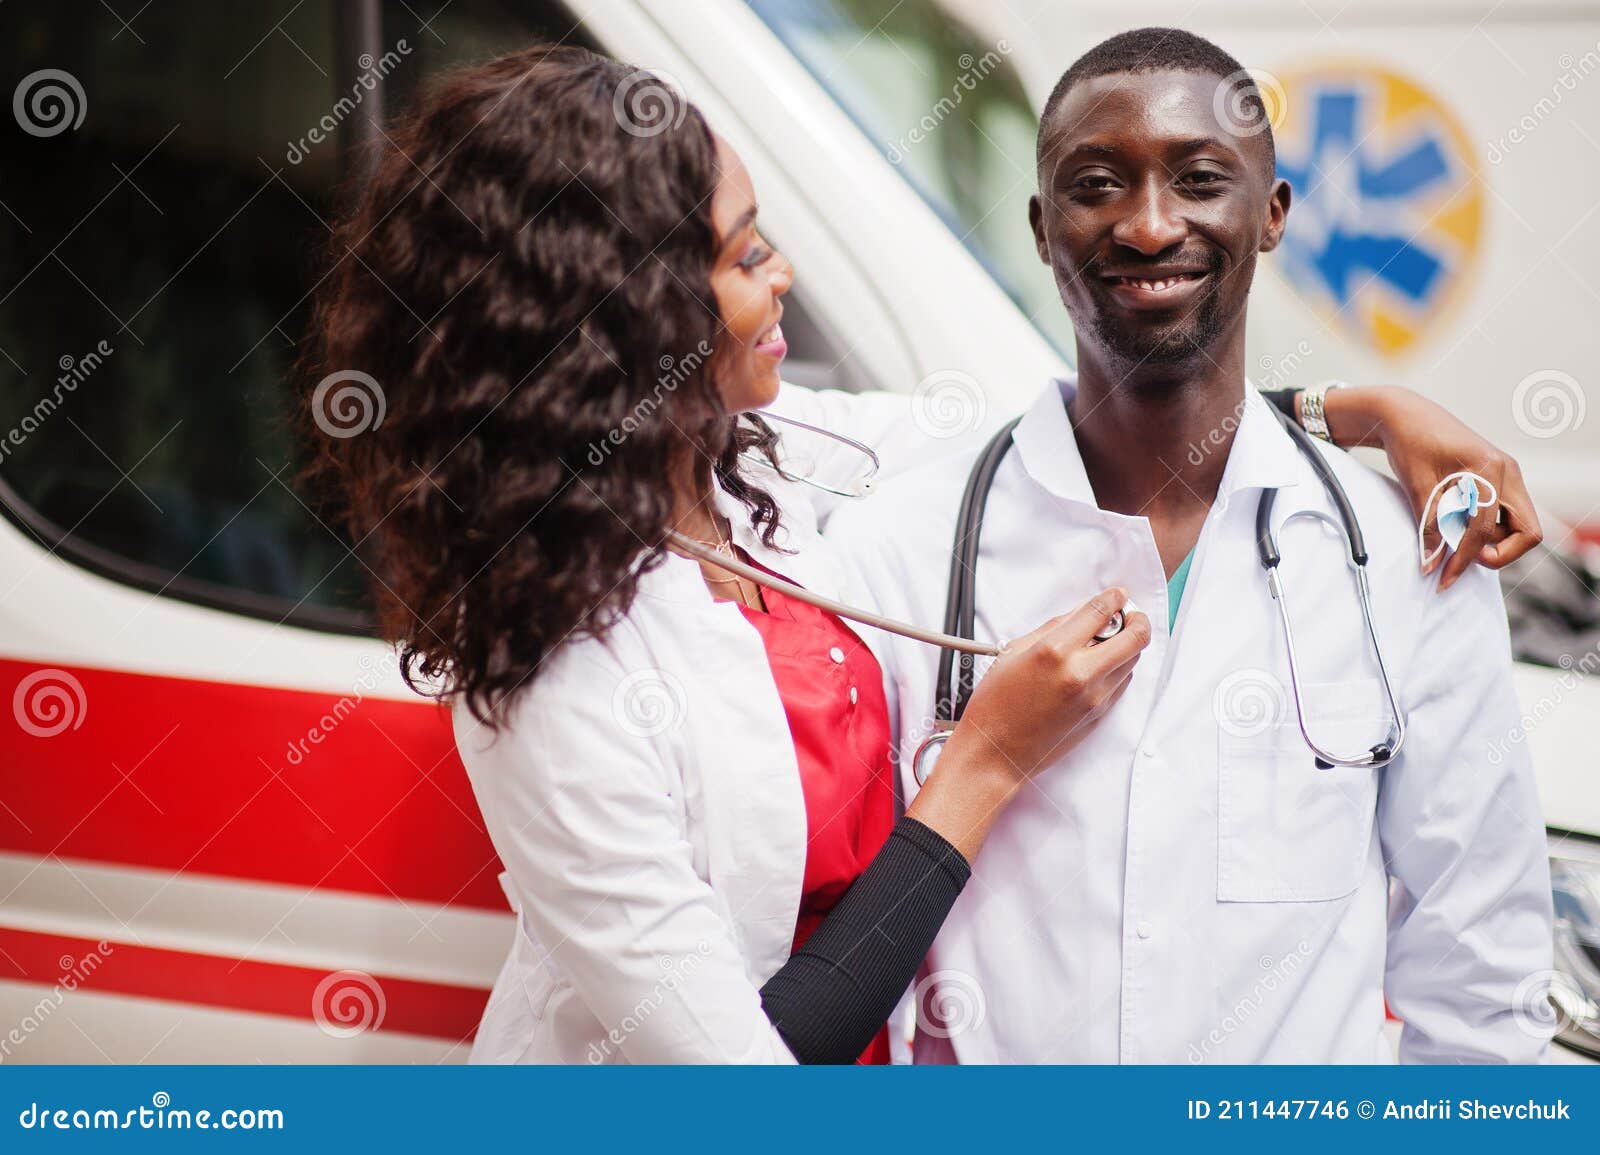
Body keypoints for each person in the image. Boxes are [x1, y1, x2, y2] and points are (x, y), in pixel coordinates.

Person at [299, 43, 1544, 1064]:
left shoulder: (779, 459)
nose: (781, 274)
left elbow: (1112, 397)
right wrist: (985, 764)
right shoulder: (554, 681)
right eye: (742, 256)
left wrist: (1363, 412)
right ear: (628, 320)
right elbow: (751, 1082)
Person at [827, 27, 1554, 1063]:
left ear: (1271, 215)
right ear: (1041, 227)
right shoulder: (896, 546)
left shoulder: (1403, 562)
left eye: (1200, 180)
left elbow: (1480, 975)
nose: (1149, 223)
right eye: (1096, 184)